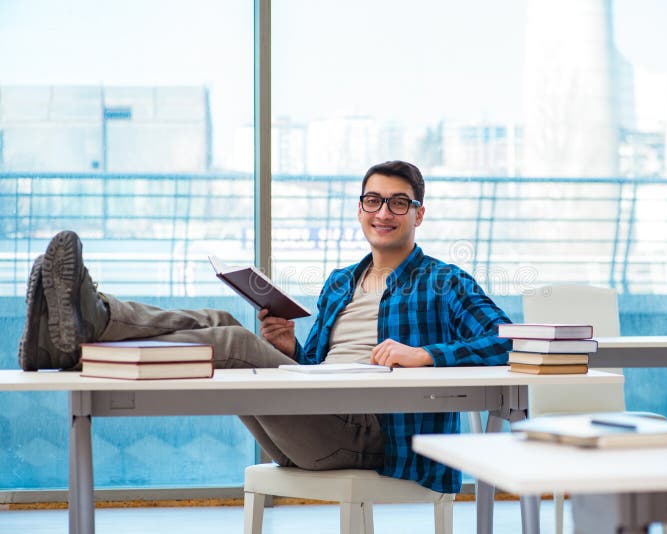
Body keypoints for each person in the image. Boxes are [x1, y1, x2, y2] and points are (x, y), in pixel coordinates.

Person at [18, 160, 512, 494]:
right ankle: (79, 332)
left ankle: (91, 324)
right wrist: (289, 348)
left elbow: (505, 340)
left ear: (419, 214)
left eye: (398, 203)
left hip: (374, 438)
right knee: (225, 322)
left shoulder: (444, 282)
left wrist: (426, 356)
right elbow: (316, 367)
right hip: (322, 414)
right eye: (373, 201)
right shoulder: (341, 283)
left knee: (231, 341)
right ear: (360, 208)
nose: (383, 213)